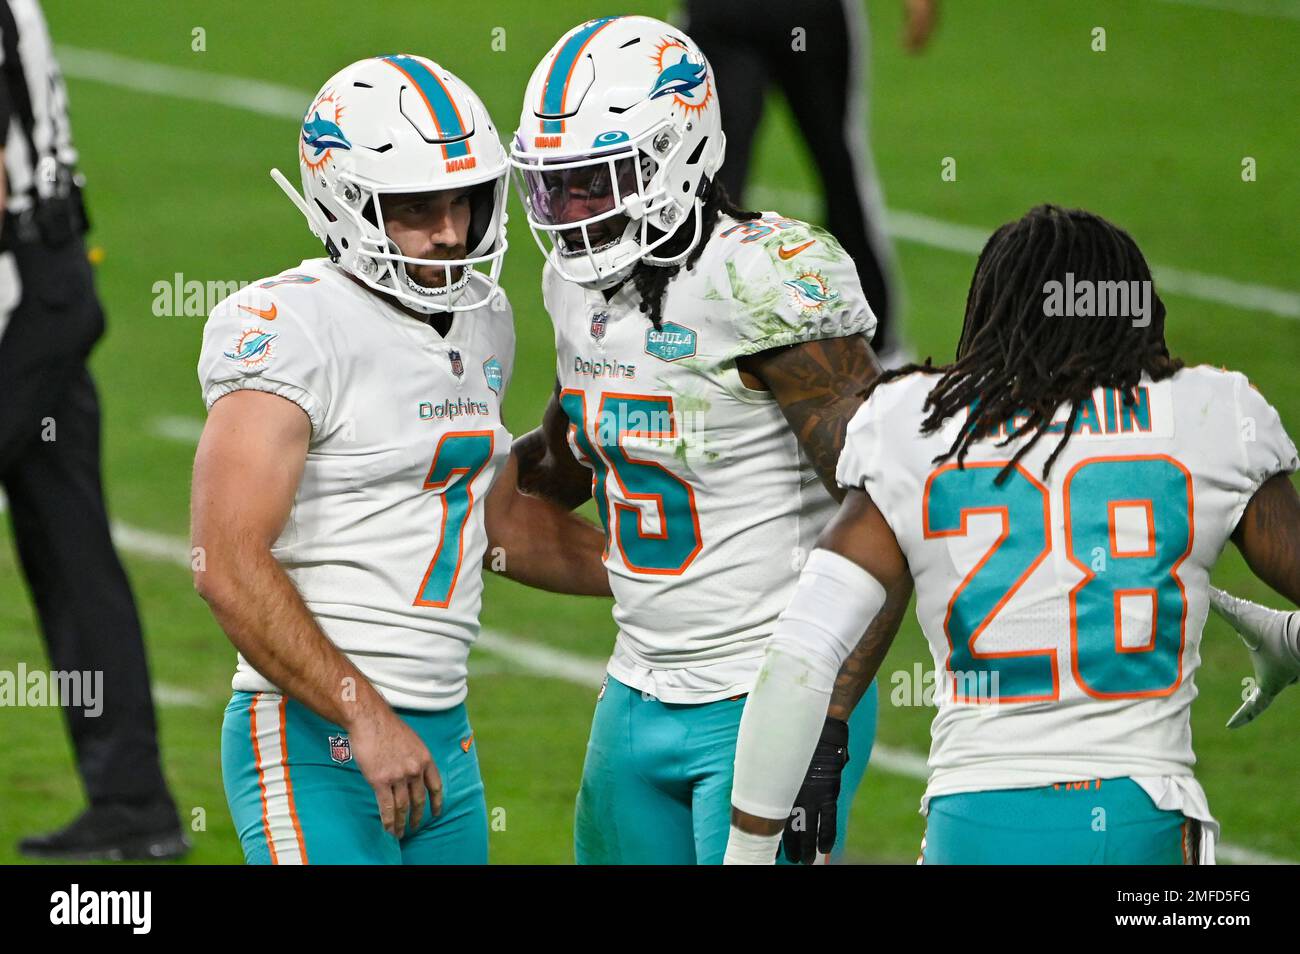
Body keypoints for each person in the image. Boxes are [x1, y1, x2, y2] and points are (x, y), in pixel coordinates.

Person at [725, 204, 1299, 865]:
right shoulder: (1210, 413)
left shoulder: (916, 423)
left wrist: (747, 851)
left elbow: (803, 648)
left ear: (990, 308)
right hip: (1138, 818)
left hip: (974, 819)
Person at [192, 55, 608, 865]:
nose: (451, 231)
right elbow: (225, 563)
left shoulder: (483, 320)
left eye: (465, 201)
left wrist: (668, 570)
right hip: (314, 736)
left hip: (442, 742)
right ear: (348, 204)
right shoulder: (290, 326)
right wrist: (363, 714)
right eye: (418, 207)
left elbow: (493, 523)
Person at [509, 15, 905, 865]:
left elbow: (888, 515)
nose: (571, 212)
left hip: (769, 688)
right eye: (555, 186)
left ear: (675, 156)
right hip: (637, 687)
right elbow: (577, 450)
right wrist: (450, 454)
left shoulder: (765, 280)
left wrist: (825, 723)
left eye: (594, 181)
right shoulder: (572, 285)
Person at [0, 0, 185, 860]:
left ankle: (134, 801)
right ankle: (134, 804)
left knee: (71, 548)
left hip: (16, 297)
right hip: (54, 275)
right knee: (71, 548)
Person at [684, 0, 940, 364]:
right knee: (706, 179)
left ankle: (878, 348)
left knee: (840, 169)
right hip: (721, 15)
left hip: (810, 11)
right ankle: (690, 339)